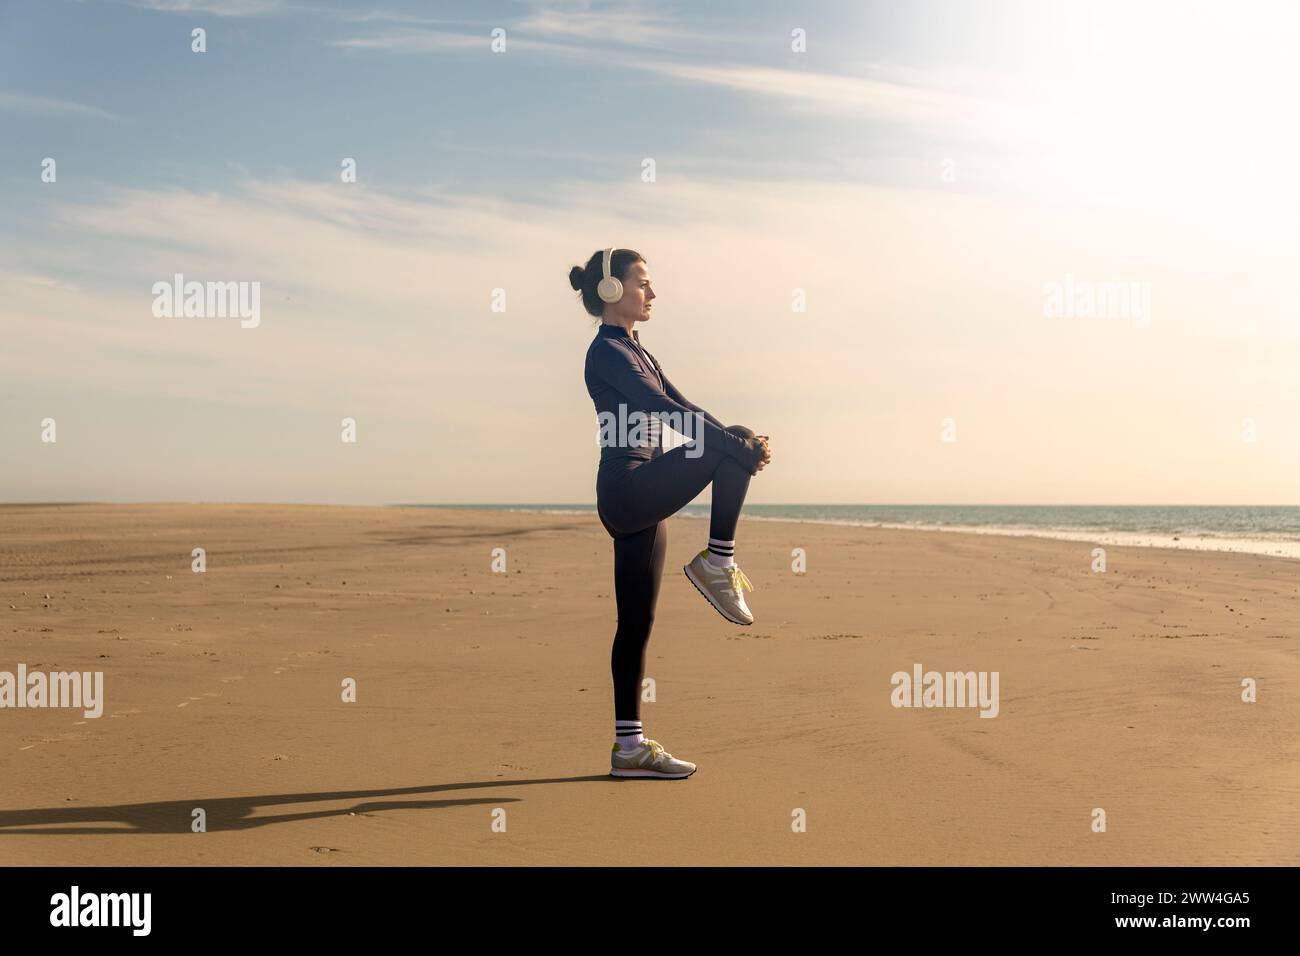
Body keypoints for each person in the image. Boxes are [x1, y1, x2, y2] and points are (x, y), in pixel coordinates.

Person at [569, 247, 772, 779]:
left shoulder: (640, 350)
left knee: (636, 623)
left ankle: (628, 749)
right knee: (732, 441)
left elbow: (686, 407)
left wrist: (737, 443)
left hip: (643, 494)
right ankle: (717, 562)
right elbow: (662, 411)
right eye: (643, 284)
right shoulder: (608, 351)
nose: (652, 293)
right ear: (613, 291)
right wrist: (734, 444)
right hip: (627, 488)